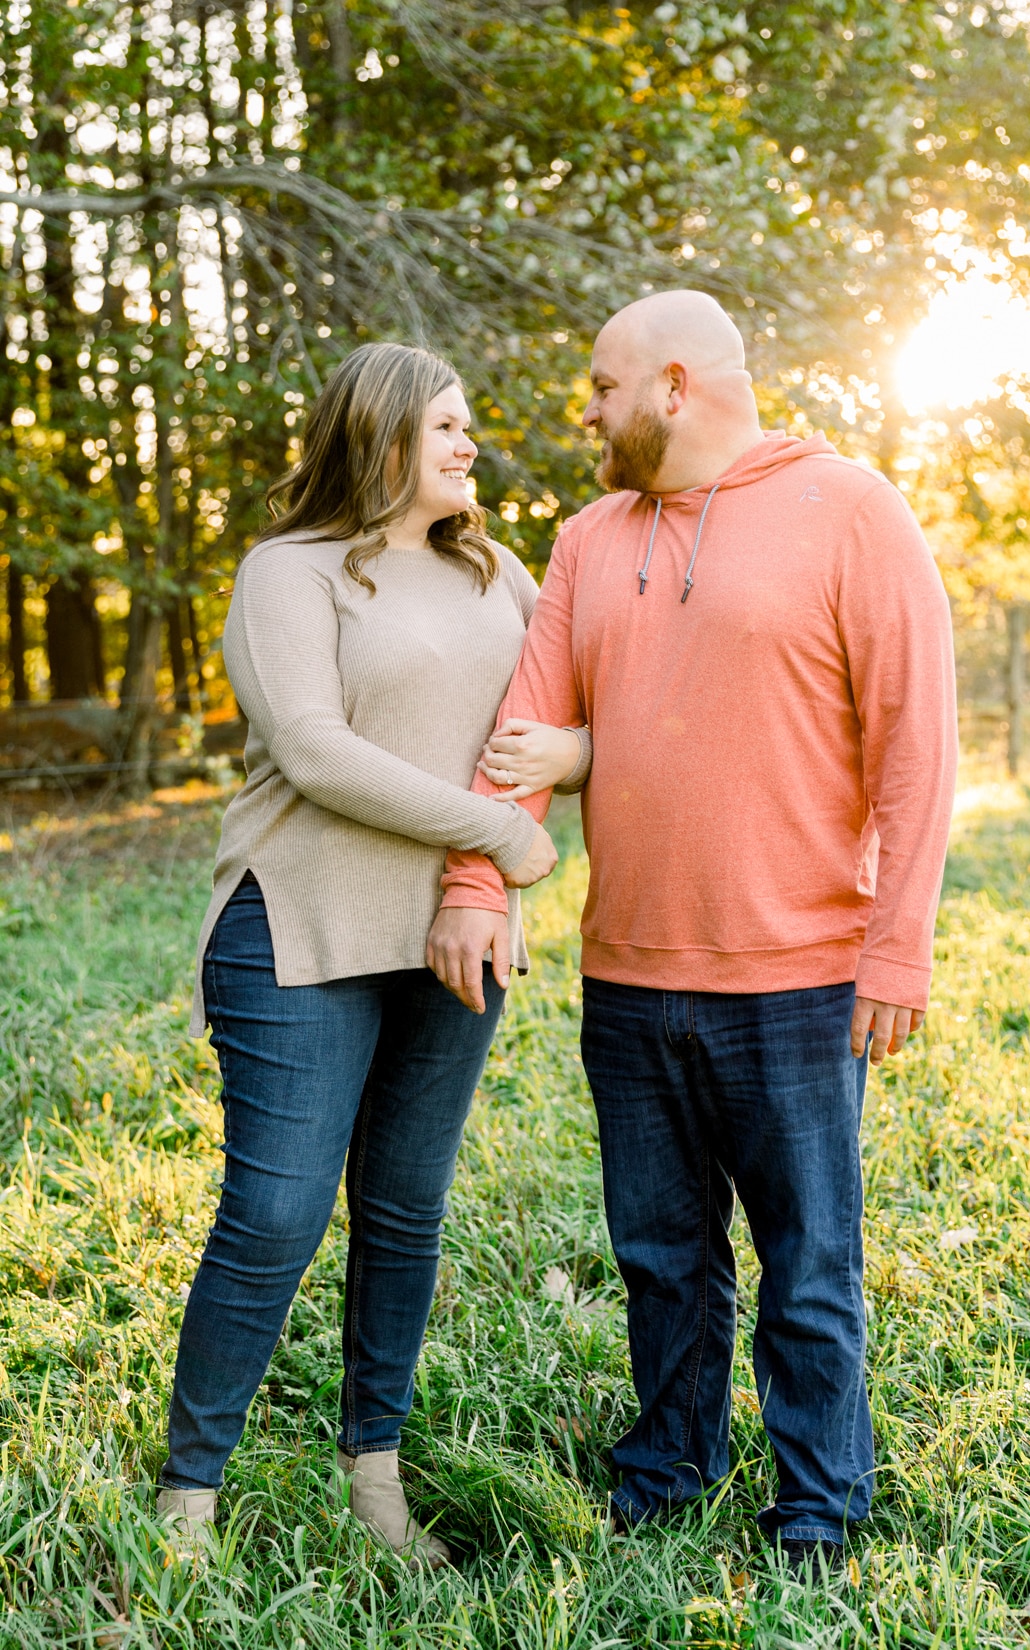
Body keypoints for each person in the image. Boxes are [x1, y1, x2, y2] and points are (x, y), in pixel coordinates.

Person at [427, 291, 958, 1570]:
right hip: (627, 976)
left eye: (601, 390)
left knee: (808, 1263)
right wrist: (472, 885)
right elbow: (521, 731)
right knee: (659, 1255)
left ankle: (817, 1502)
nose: (587, 417)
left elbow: (913, 748)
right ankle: (666, 1468)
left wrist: (896, 945)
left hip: (798, 978)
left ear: (670, 386)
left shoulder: (852, 512)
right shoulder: (587, 539)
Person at [156, 341, 587, 1568]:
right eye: (445, 427)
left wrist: (566, 771)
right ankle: (191, 1494)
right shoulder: (287, 573)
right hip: (300, 926)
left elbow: (559, 727)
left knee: (403, 1212)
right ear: (380, 435)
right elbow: (312, 749)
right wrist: (499, 834)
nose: (469, 447)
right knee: (275, 1214)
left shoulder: (499, 574)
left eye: (468, 427)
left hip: (457, 940)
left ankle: (376, 1481)